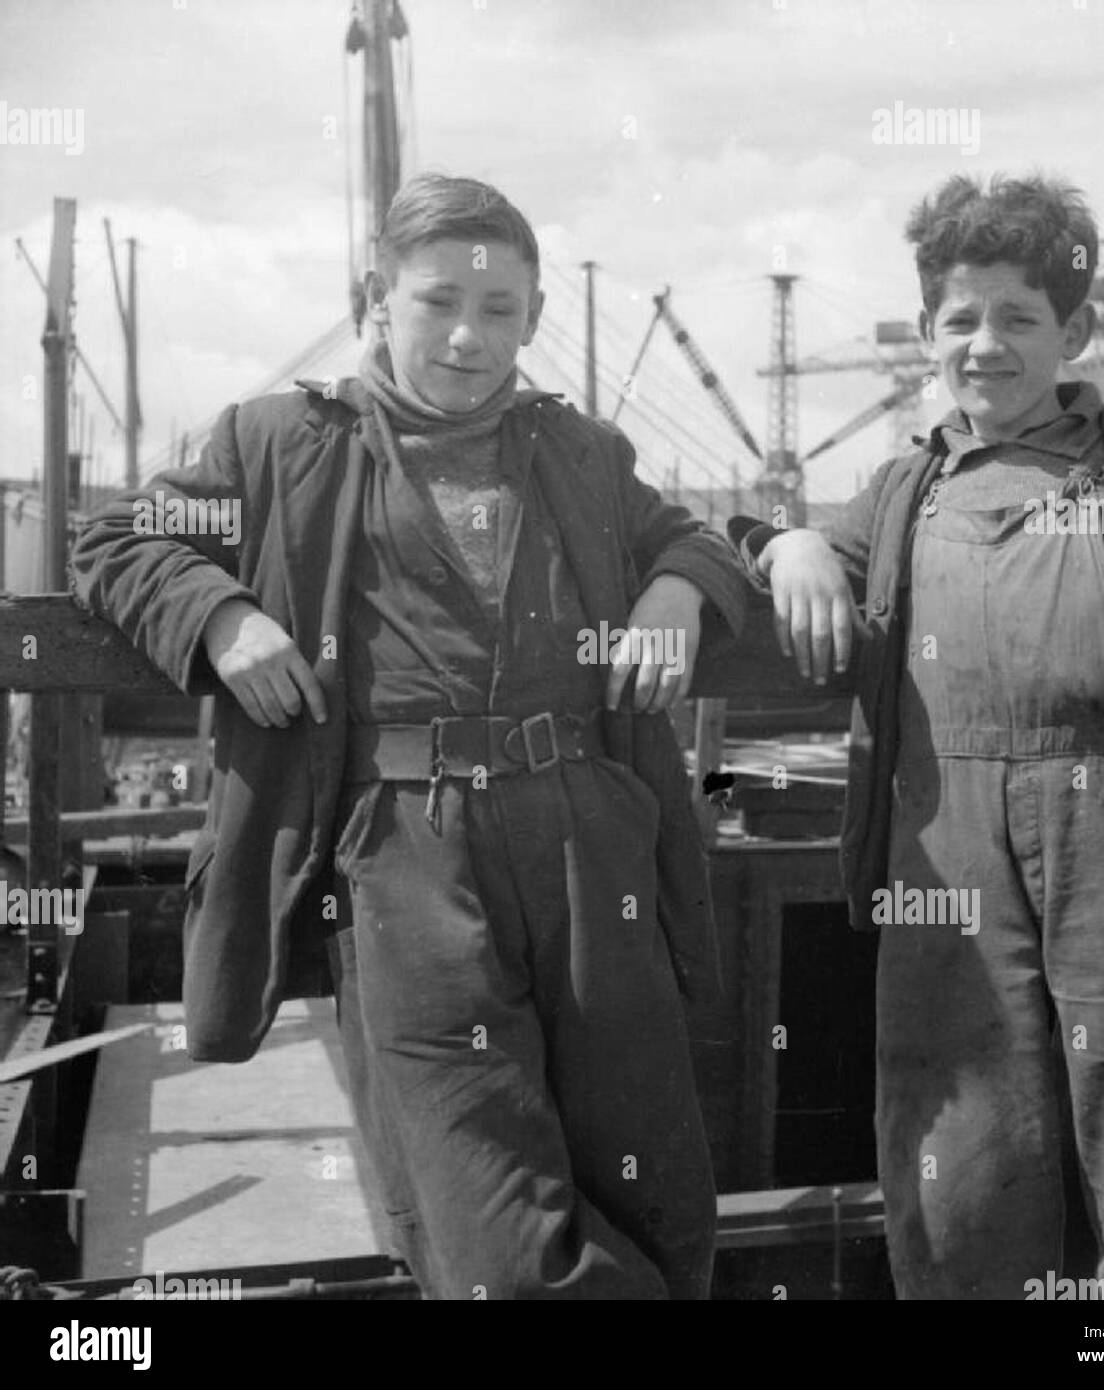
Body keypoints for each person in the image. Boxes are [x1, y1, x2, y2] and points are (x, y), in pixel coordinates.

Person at [71, 173, 748, 1300]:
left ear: (531, 320)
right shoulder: (279, 440)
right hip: (404, 854)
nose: (468, 338)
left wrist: (678, 588)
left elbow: (696, 540)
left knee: (655, 1184)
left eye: (499, 312)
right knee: (487, 1220)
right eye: (438, 302)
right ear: (373, 301)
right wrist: (220, 615)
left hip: (590, 834)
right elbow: (114, 544)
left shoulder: (577, 451)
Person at [734, 172, 1104, 1299]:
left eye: (1017, 317)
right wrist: (785, 544)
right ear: (928, 334)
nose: (984, 344)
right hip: (945, 856)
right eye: (958, 319)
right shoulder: (894, 490)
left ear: (1072, 331)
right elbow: (790, 569)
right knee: (959, 1162)